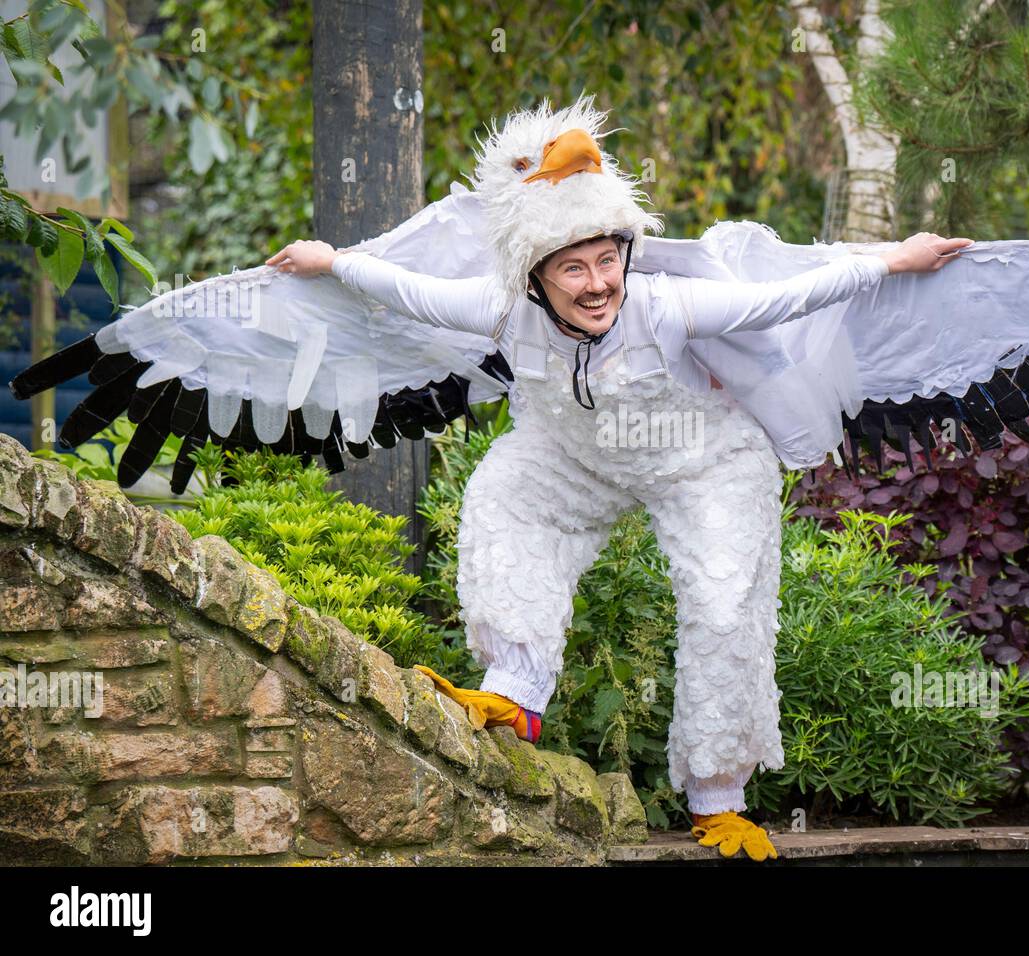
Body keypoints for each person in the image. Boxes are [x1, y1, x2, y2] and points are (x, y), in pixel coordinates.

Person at [266, 97, 969, 861]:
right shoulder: (497, 310)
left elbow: (789, 295)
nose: (598, 283)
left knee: (725, 598)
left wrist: (891, 259)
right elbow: (400, 287)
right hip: (577, 458)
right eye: (574, 267)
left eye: (607, 260)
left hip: (705, 461)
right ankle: (515, 690)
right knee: (501, 493)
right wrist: (329, 261)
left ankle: (719, 799)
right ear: (535, 277)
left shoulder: (670, 305)